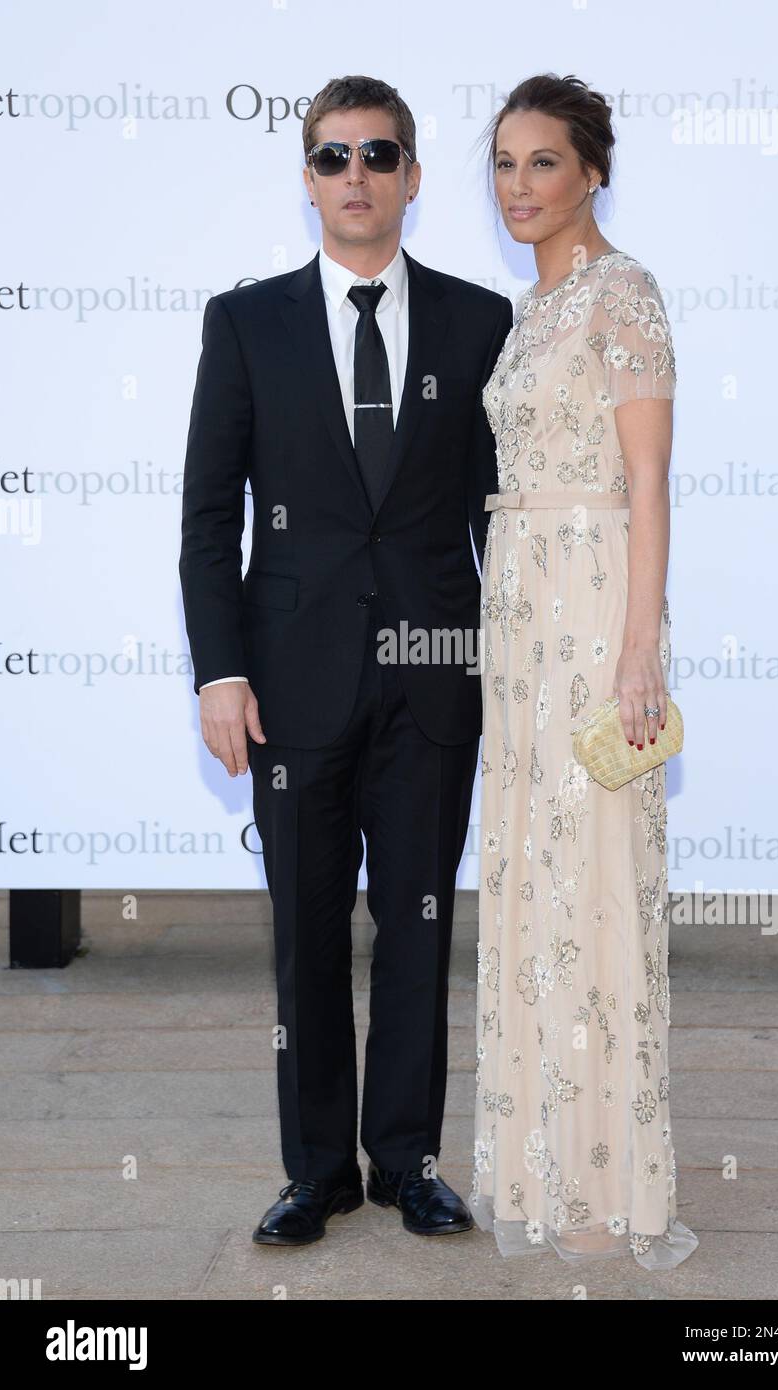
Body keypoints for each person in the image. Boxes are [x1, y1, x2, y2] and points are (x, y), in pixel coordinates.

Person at [178, 74, 512, 1246]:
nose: (356, 175)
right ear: (308, 177)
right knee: (306, 931)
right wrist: (220, 672)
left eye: (379, 154)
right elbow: (208, 513)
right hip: (290, 688)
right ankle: (316, 1168)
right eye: (333, 156)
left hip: (434, 679)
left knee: (419, 926)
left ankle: (408, 1161)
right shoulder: (248, 320)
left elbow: (498, 516)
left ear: (413, 177)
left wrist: (518, 665)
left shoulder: (480, 322)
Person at [469, 73, 699, 1269]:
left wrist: (637, 650)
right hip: (517, 619)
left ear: (591, 171)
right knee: (531, 880)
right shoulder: (528, 309)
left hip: (594, 599)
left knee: (595, 877)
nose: (517, 187)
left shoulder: (624, 295)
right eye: (502, 164)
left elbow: (648, 485)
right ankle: (544, 1167)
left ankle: (612, 1182)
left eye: (541, 163)